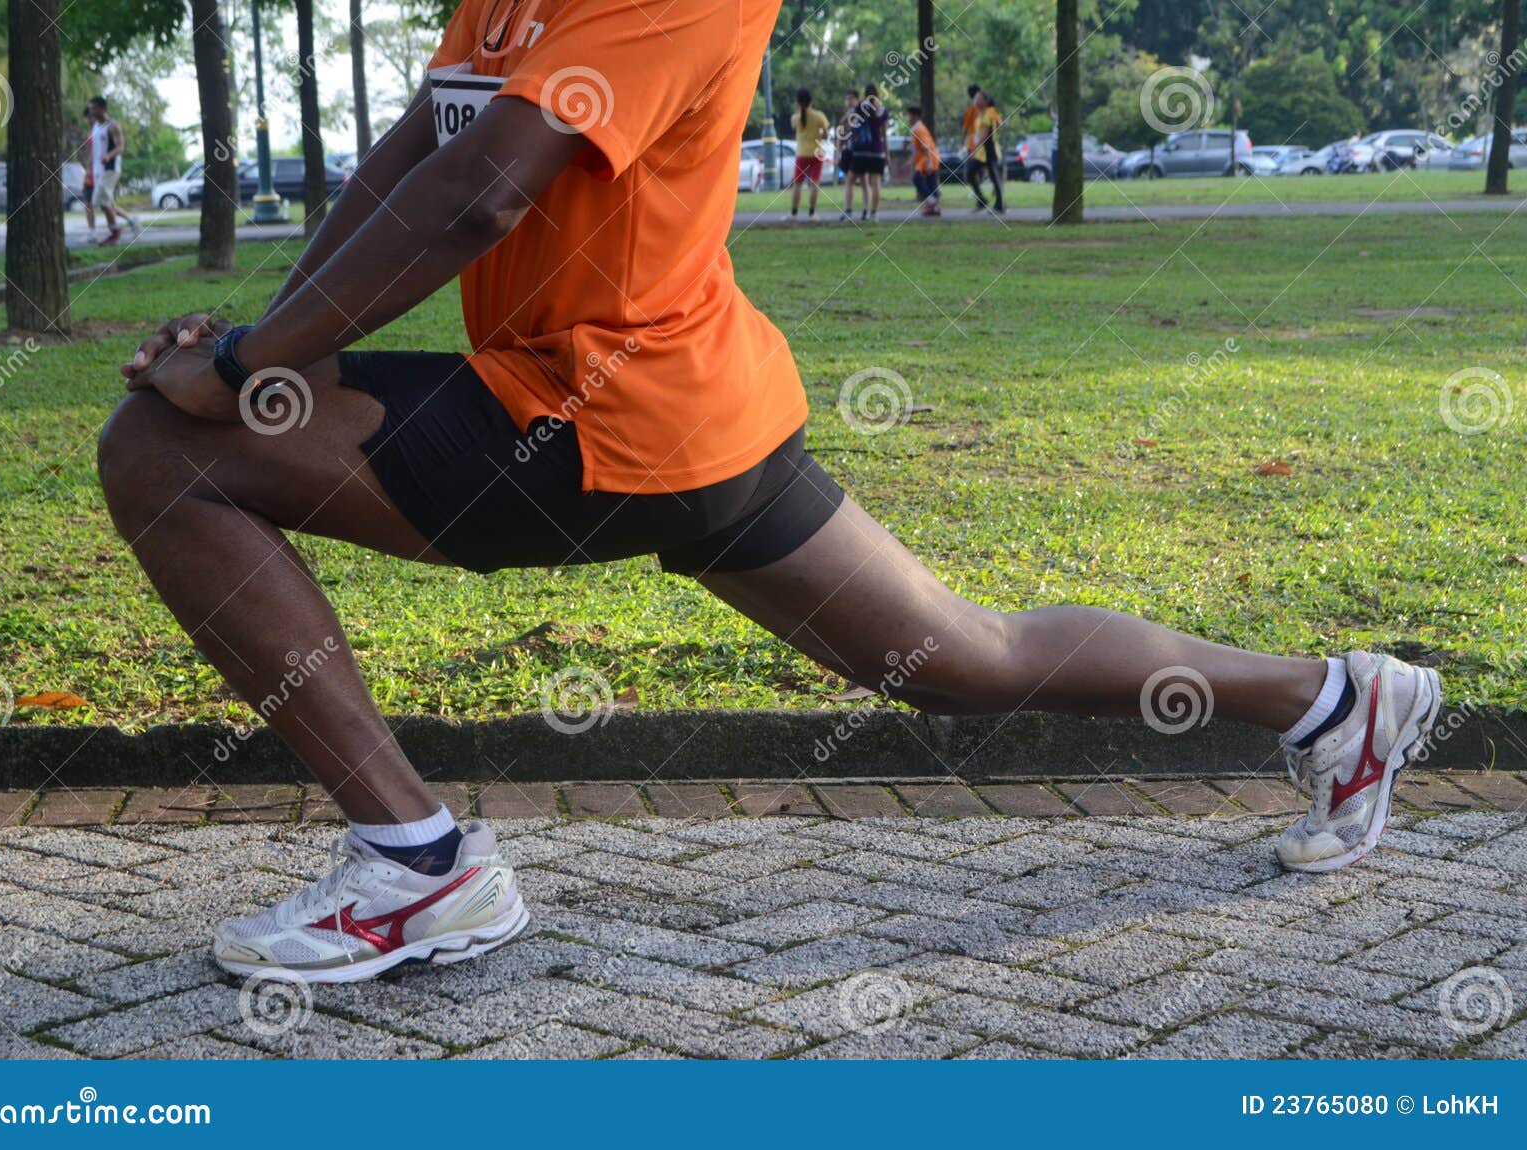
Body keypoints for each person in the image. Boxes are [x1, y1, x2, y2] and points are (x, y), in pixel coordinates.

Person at [107, 0, 1443, 984]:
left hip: (594, 417)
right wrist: (254, 349)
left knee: (156, 457)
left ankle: (415, 865)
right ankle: (1335, 697)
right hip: (689, 416)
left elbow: (479, 196)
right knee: (967, 656)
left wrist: (242, 369)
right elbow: (412, 152)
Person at [86, 95, 140, 245]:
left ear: (103, 109)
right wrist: (90, 168)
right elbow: (95, 150)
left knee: (99, 201)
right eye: (90, 108)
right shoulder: (95, 126)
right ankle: (131, 220)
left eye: (94, 108)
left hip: (110, 169)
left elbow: (120, 147)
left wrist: (108, 156)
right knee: (108, 203)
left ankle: (115, 232)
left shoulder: (113, 126)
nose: (91, 111)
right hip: (98, 171)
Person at [847, 83, 889, 221]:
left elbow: (852, 126)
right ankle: (874, 213)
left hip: (860, 151)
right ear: (877, 95)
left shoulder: (860, 108)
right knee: (876, 182)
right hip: (877, 151)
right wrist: (887, 153)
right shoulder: (882, 110)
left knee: (851, 180)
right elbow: (884, 134)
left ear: (865, 95)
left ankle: (849, 211)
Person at [789, 88, 828, 220]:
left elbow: (796, 126)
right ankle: (812, 213)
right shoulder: (819, 116)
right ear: (811, 101)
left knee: (798, 184)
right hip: (817, 153)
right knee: (814, 184)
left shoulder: (795, 118)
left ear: (797, 102)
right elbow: (826, 134)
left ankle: (794, 213)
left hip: (801, 154)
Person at [967, 87, 1005, 214]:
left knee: (993, 176)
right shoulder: (981, 115)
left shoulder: (988, 113)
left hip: (988, 150)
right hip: (982, 151)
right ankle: (982, 200)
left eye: (977, 98)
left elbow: (983, 136)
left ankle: (1000, 205)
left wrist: (973, 150)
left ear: (984, 101)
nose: (974, 101)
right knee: (971, 173)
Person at [906, 105, 940, 217]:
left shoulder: (919, 129)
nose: (907, 118)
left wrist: (929, 162)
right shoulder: (916, 128)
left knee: (917, 178)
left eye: (909, 115)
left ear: (915, 116)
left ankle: (931, 202)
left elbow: (926, 147)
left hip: (928, 159)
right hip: (927, 158)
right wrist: (911, 160)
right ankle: (933, 208)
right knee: (931, 184)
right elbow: (917, 148)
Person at [837, 89, 859, 220]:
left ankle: (868, 211)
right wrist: (839, 153)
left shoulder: (861, 115)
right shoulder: (845, 117)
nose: (849, 102)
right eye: (847, 99)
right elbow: (841, 136)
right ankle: (849, 209)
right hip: (849, 151)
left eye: (851, 99)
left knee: (863, 180)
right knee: (849, 180)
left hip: (860, 151)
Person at [80, 108, 97, 241]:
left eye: (89, 117)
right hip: (91, 172)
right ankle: (92, 232)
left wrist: (89, 170)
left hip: (97, 172)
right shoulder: (91, 133)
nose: (88, 120)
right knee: (88, 203)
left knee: (107, 204)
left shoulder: (98, 132)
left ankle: (131, 219)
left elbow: (92, 154)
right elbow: (88, 154)